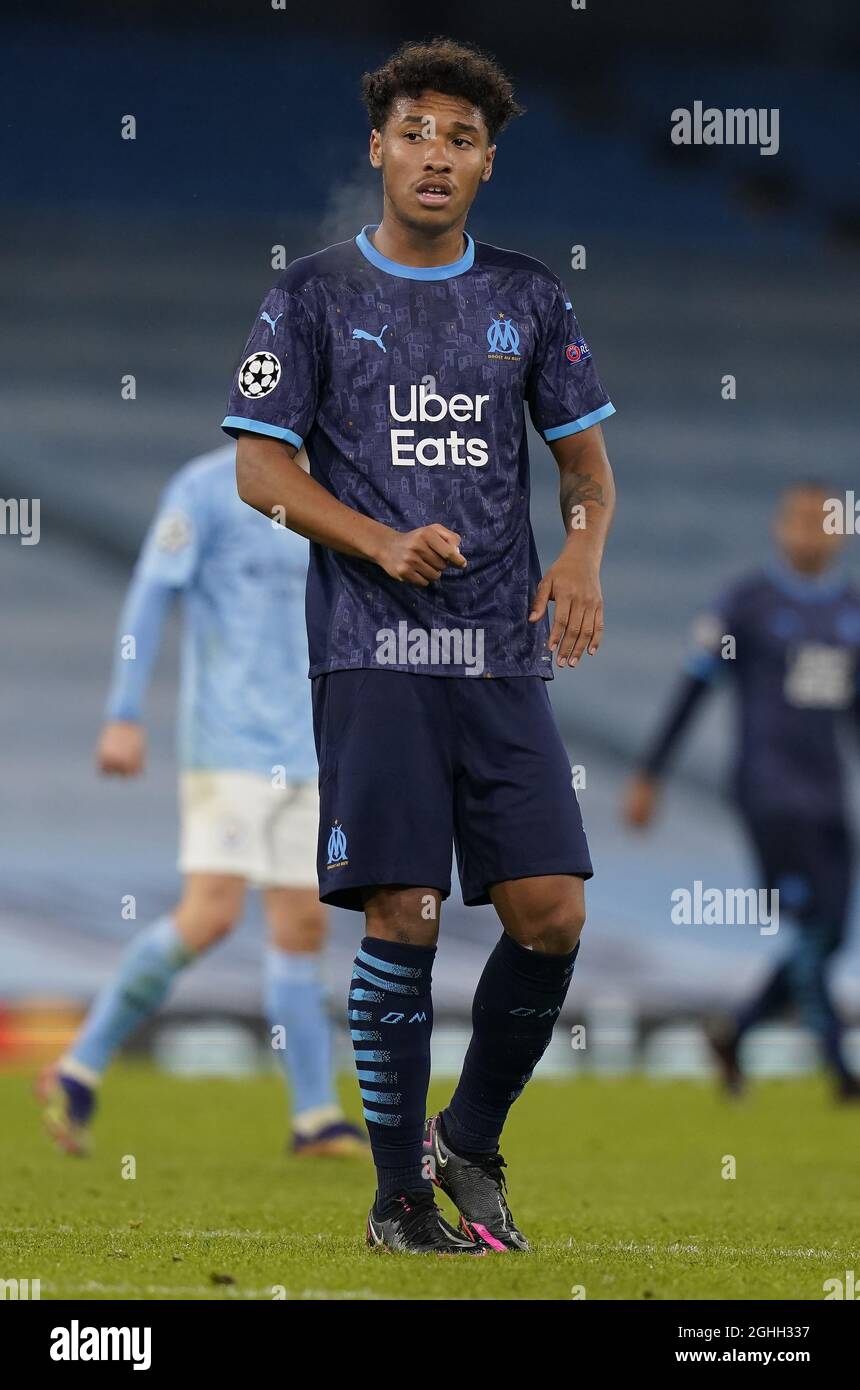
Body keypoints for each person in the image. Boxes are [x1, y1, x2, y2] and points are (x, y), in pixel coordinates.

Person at [223, 37, 617, 1253]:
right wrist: (379, 543)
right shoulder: (312, 294)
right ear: (379, 148)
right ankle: (398, 1198)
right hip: (371, 647)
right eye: (415, 132)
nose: (434, 154)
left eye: (460, 138)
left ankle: (472, 1139)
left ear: (486, 162)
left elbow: (585, 470)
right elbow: (258, 468)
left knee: (549, 910)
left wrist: (580, 554)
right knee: (401, 908)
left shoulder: (530, 297)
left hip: (500, 655)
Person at [39, 443, 366, 1157]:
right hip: (230, 747)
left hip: (312, 747)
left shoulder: (342, 484)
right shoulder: (208, 488)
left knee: (303, 926)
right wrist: (123, 712)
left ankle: (314, 1118)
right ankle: (81, 1065)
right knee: (211, 915)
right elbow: (152, 590)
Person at [624, 481, 860, 1101]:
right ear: (781, 527)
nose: (811, 530)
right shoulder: (748, 603)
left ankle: (736, 1033)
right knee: (813, 926)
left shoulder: (851, 610)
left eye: (823, 519)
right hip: (769, 791)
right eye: (800, 518)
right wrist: (650, 774)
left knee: (831, 933)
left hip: (829, 793)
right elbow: (692, 688)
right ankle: (842, 1073)